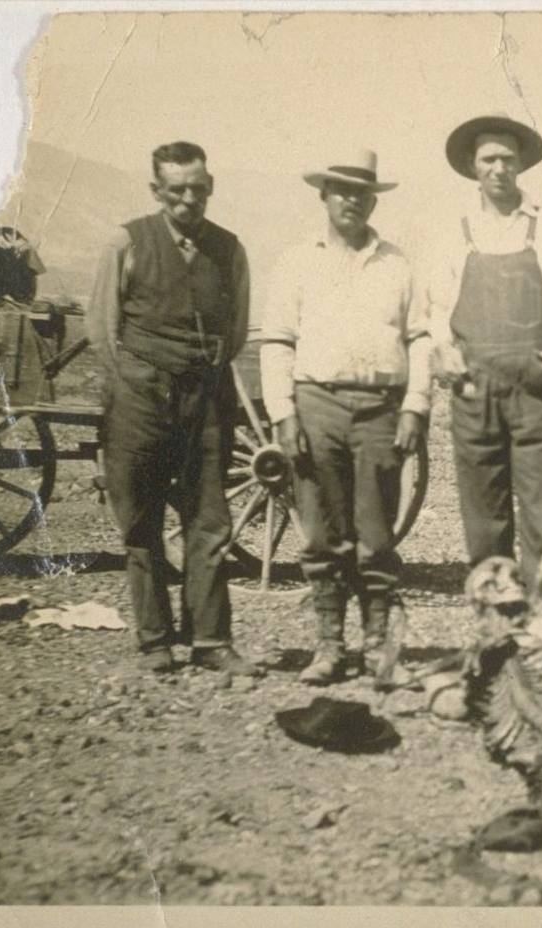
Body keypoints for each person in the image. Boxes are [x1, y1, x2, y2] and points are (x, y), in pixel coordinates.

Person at [86, 140, 259, 676]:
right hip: (140, 399)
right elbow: (102, 327)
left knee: (209, 520)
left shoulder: (229, 249)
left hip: (205, 399)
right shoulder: (127, 241)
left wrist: (198, 373)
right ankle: (155, 641)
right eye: (177, 189)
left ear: (210, 187)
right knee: (142, 520)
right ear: (157, 190)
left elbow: (234, 333)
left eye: (198, 188)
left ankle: (210, 642)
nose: (189, 199)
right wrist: (137, 382)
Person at [259, 150, 431, 685]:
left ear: (373, 198)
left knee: (376, 534)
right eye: (341, 190)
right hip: (317, 406)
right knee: (321, 531)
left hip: (381, 410)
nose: (351, 200)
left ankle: (379, 649)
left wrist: (415, 406)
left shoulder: (398, 263)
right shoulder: (296, 262)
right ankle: (329, 648)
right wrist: (283, 414)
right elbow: (277, 342)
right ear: (323, 196)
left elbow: (421, 338)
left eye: (361, 191)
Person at [423, 113, 542, 646]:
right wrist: (443, 351)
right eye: (488, 160)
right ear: (473, 168)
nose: (498, 168)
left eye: (507, 159)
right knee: (484, 522)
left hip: (537, 397)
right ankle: (497, 635)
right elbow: (434, 309)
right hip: (476, 393)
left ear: (521, 165)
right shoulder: (453, 232)